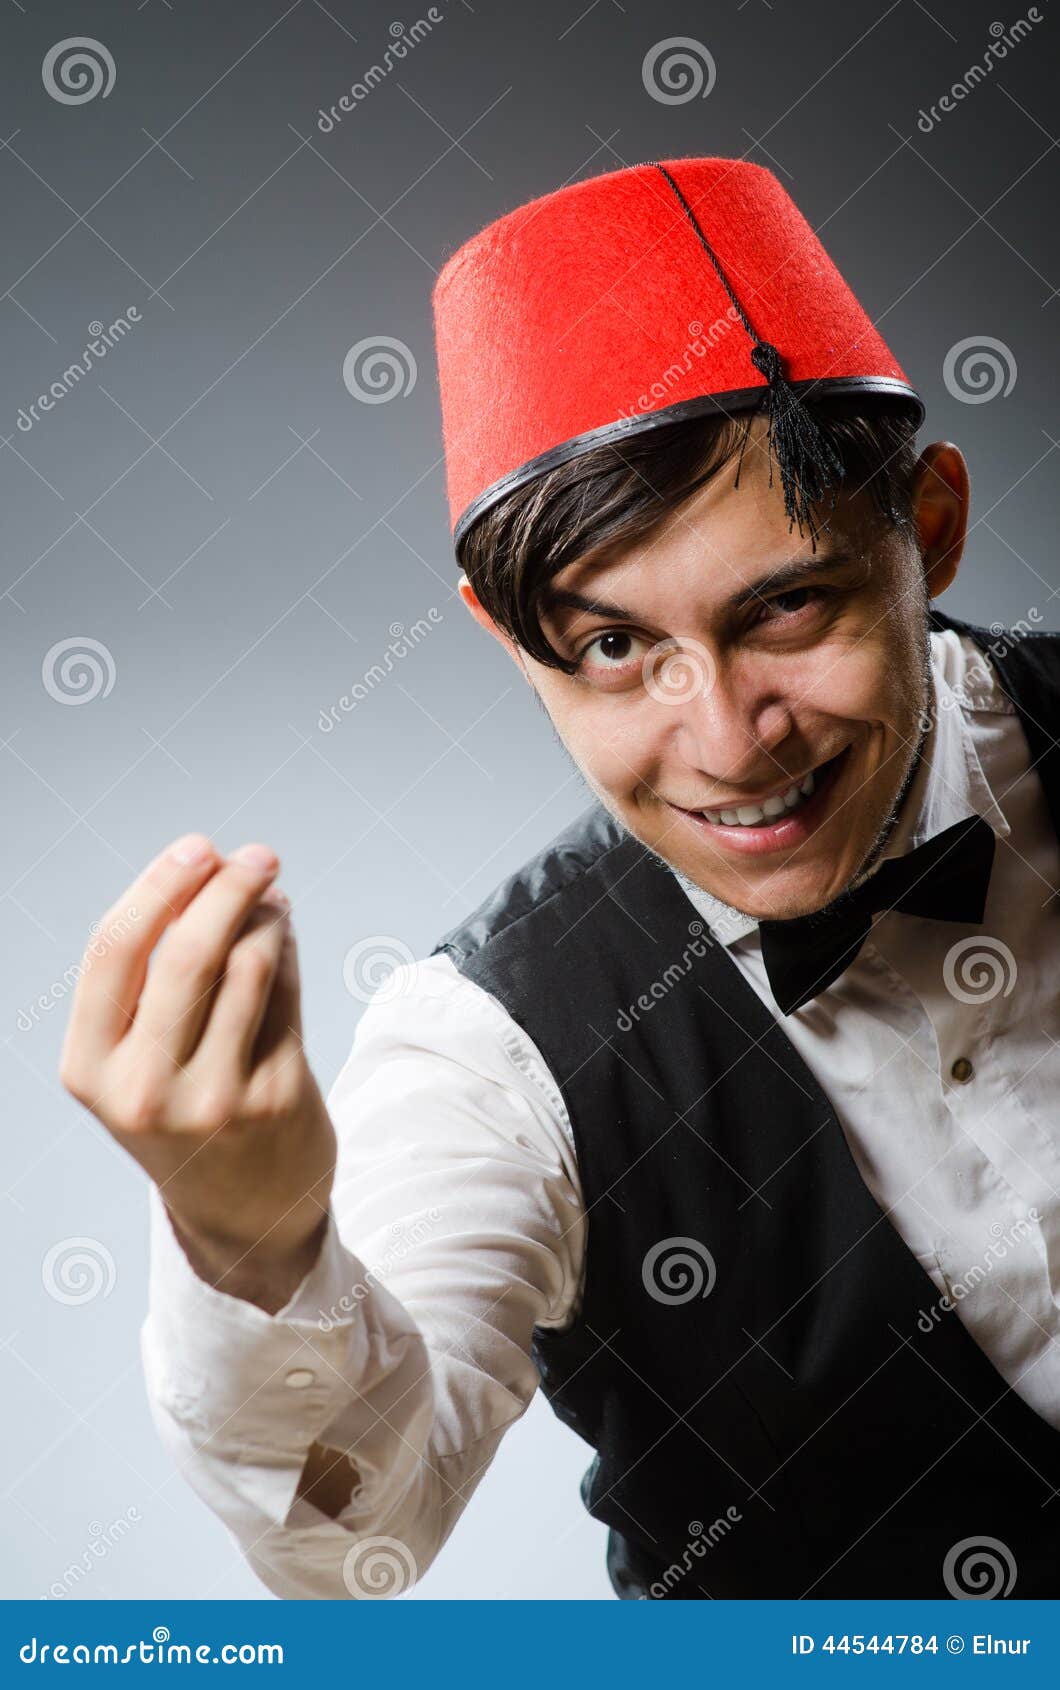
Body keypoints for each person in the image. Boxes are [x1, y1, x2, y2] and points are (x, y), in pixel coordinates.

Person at [59, 157, 1060, 1601]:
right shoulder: (493, 1045)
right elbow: (349, 1534)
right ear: (508, 638)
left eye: (786, 605)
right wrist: (252, 1237)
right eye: (612, 649)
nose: (727, 740)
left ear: (933, 526)